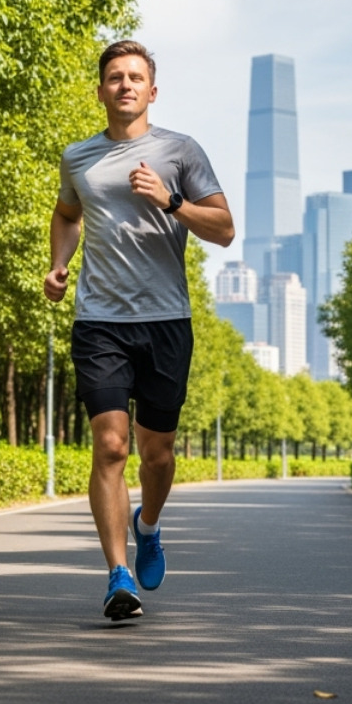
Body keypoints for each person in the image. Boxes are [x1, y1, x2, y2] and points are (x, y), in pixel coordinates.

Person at [44, 40, 234, 621]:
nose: (124, 85)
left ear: (152, 91)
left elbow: (224, 229)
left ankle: (147, 525)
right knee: (111, 445)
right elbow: (68, 215)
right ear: (100, 89)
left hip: (166, 322)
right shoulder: (78, 158)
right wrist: (58, 263)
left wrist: (171, 200)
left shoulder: (180, 151)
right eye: (114, 77)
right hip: (99, 320)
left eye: (135, 78)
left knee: (158, 454)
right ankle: (116, 573)